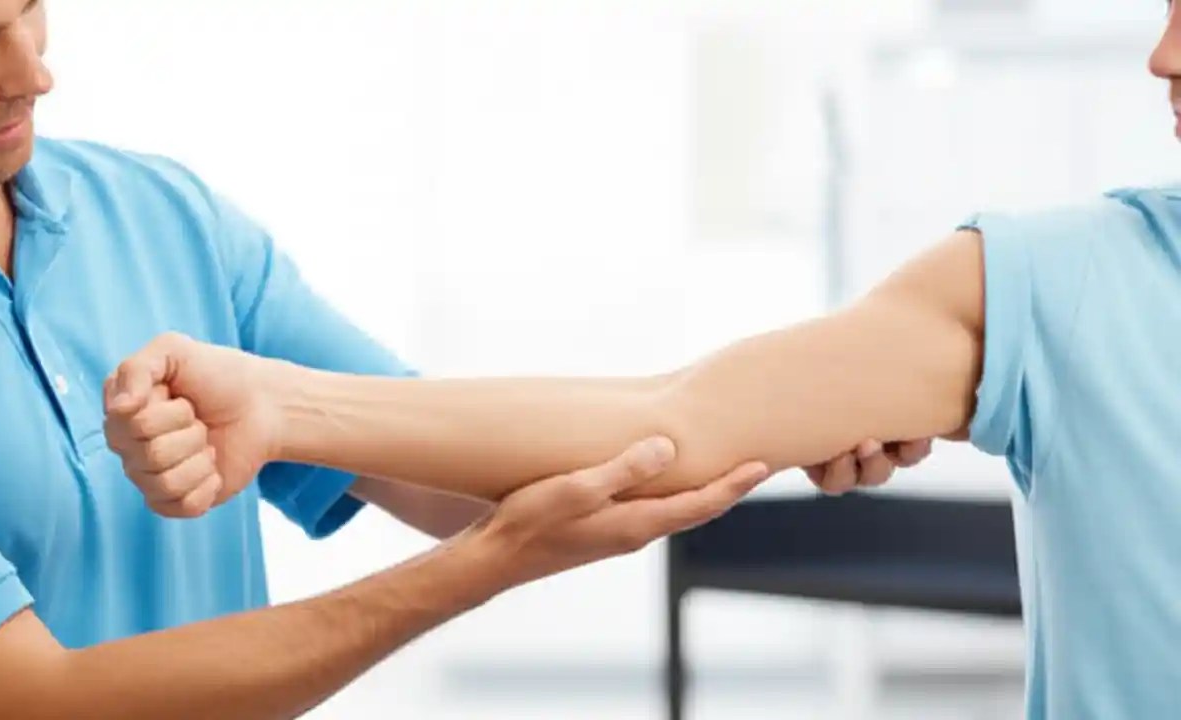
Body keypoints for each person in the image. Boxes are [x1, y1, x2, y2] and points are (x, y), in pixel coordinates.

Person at [101, 5, 1181, 720]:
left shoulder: (1068, 281)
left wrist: (284, 410)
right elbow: (678, 422)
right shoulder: (1061, 282)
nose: (1160, 55)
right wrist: (286, 408)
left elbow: (673, 422)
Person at [0, 1, 923, 717]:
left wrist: (795, 417)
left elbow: (447, 463)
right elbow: (26, 706)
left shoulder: (157, 217)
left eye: (31, 6)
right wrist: (471, 573)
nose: (33, 70)